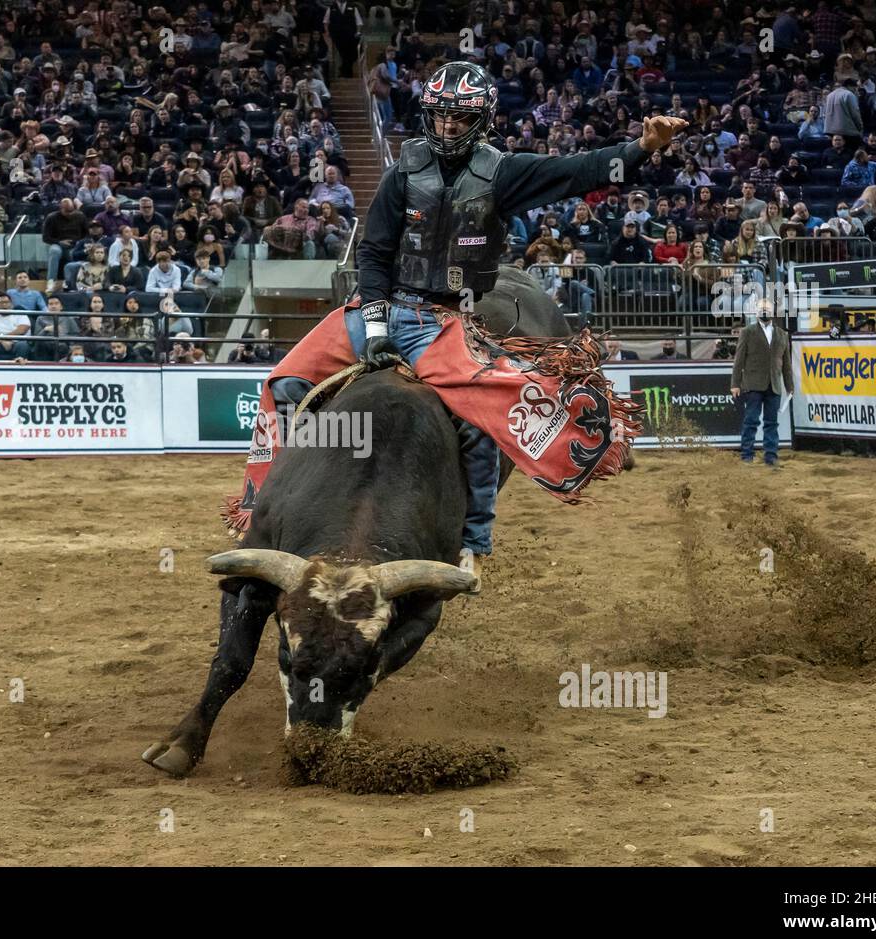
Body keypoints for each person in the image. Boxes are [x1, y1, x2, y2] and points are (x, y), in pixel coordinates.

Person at [258, 61, 686, 573]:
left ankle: (474, 539)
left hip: (440, 320)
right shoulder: (401, 173)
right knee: (282, 385)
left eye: (459, 118)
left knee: (480, 420)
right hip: (379, 307)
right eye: (439, 117)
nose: (447, 127)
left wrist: (642, 149)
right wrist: (373, 327)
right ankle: (269, 508)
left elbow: (577, 171)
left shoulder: (502, 173)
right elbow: (372, 253)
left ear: (480, 120)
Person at [730, 305, 794, 466]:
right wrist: (735, 384)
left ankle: (771, 456)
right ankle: (747, 455)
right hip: (753, 384)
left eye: (767, 309)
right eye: (762, 309)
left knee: (771, 422)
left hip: (774, 384)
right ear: (757, 312)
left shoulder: (782, 334)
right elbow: (739, 360)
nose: (764, 312)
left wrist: (789, 385)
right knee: (751, 420)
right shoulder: (747, 332)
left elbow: (786, 363)